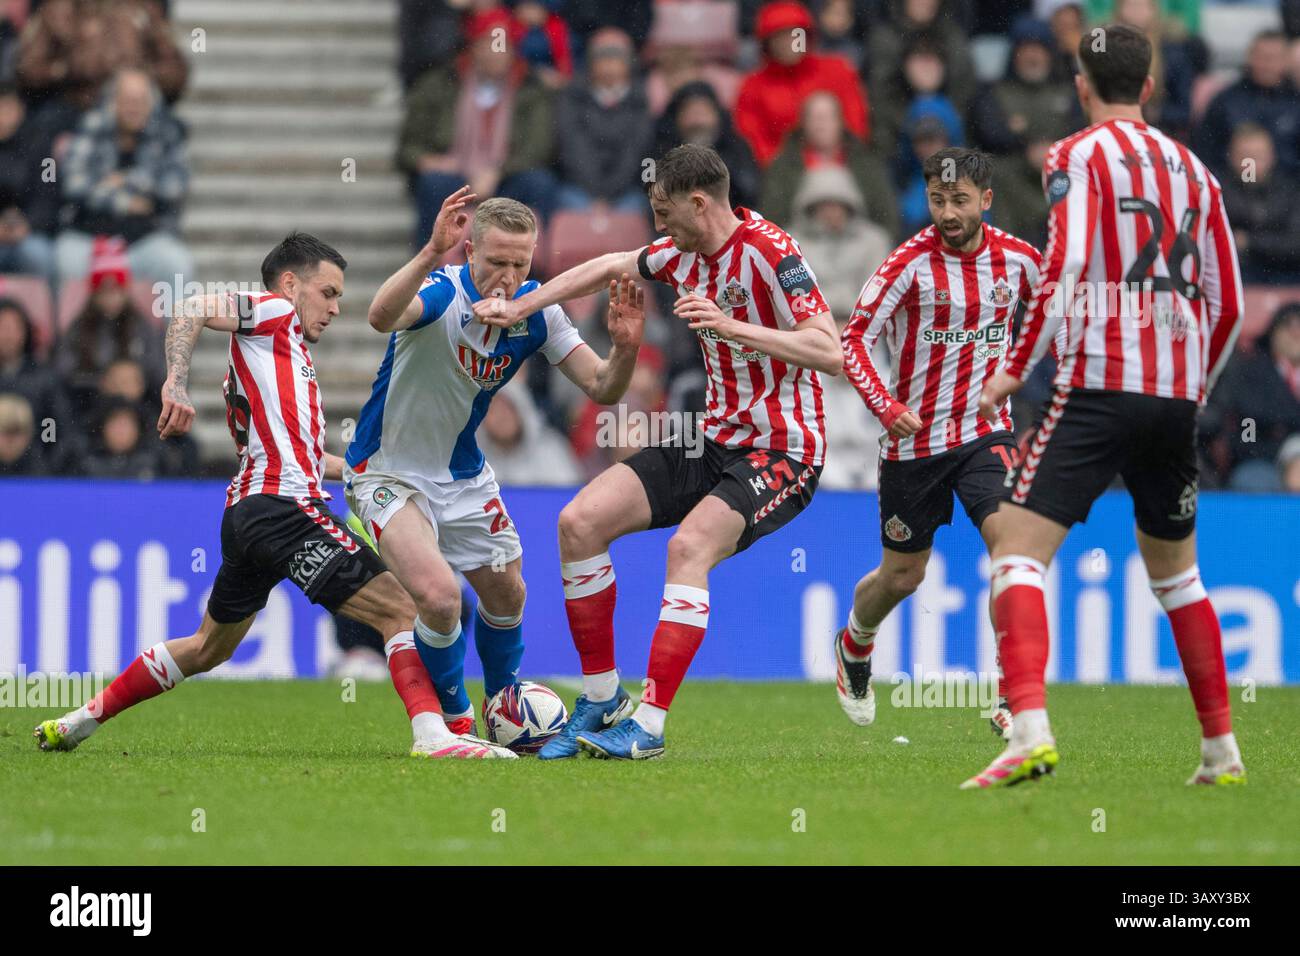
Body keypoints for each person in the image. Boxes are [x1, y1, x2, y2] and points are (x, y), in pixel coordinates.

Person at [34, 232, 514, 760]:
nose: (335, 308)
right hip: (284, 509)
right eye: (328, 292)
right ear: (291, 284)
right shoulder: (273, 313)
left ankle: (81, 718)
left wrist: (370, 472)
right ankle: (435, 736)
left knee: (206, 648)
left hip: (249, 516)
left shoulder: (282, 360)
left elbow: (311, 459)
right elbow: (192, 307)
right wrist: (174, 381)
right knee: (402, 608)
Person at [471, 145, 843, 760]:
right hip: (711, 438)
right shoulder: (680, 254)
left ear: (699, 203)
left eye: (664, 211)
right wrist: (521, 305)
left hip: (783, 450)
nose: (658, 225)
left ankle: (647, 726)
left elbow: (828, 351)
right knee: (579, 523)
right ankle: (601, 697)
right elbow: (609, 264)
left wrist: (730, 326)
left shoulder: (773, 253)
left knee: (688, 548)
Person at [973, 24, 1246, 789]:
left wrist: (1013, 371)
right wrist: (1195, 386)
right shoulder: (1197, 170)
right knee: (1178, 579)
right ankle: (1221, 752)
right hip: (1175, 395)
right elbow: (1225, 301)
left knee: (1018, 553)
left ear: (1081, 86)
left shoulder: (1075, 156)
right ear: (1150, 88)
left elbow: (1066, 267)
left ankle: (1028, 730)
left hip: (1101, 382)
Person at [345, 191, 645, 736]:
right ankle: (457, 722)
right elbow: (379, 315)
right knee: (438, 599)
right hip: (387, 472)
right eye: (496, 262)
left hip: (462, 477)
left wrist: (624, 349)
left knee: (509, 592)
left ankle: (503, 705)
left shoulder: (538, 313)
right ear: (470, 252)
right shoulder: (441, 290)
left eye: (520, 263)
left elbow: (602, 386)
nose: (508, 276)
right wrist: (428, 254)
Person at [838, 147, 1041, 735]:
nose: (947, 212)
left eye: (958, 200)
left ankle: (1012, 696)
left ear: (986, 200)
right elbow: (854, 339)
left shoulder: (1022, 261)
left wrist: (1030, 377)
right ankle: (855, 643)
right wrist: (887, 405)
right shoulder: (908, 264)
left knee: (1012, 546)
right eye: (936, 200)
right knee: (903, 577)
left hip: (986, 433)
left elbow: (1053, 317)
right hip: (914, 445)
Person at [397, 9, 557, 243]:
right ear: (473, 47)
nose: (497, 53)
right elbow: (407, 147)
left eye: (503, 46)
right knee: (432, 183)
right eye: (489, 44)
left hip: (507, 178)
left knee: (540, 183)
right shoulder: (440, 84)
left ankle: (531, 263)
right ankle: (430, 261)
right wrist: (427, 160)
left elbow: (538, 147)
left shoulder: (530, 89)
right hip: (454, 177)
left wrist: (498, 172)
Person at [54, 67, 192, 287]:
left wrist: (125, 179)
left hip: (144, 238)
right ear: (113, 101)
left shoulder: (166, 132)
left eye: (141, 100)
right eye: (127, 100)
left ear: (152, 104)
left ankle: (176, 323)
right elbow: (73, 185)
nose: (134, 108)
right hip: (88, 236)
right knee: (65, 261)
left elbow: (175, 187)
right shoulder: (92, 125)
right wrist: (126, 202)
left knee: (177, 264)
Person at [734, 1, 871, 167]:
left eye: (795, 34)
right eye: (779, 36)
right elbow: (753, 139)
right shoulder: (753, 86)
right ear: (767, 43)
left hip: (840, 166)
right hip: (782, 175)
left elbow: (855, 123)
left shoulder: (838, 70)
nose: (789, 42)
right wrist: (784, 170)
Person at [554, 28, 652, 213]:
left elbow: (636, 152)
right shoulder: (573, 97)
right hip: (579, 190)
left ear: (627, 64)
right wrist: (595, 193)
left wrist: (609, 195)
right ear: (591, 64)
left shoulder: (640, 101)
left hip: (626, 192)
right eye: (602, 59)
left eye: (615, 60)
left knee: (640, 208)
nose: (609, 66)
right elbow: (572, 148)